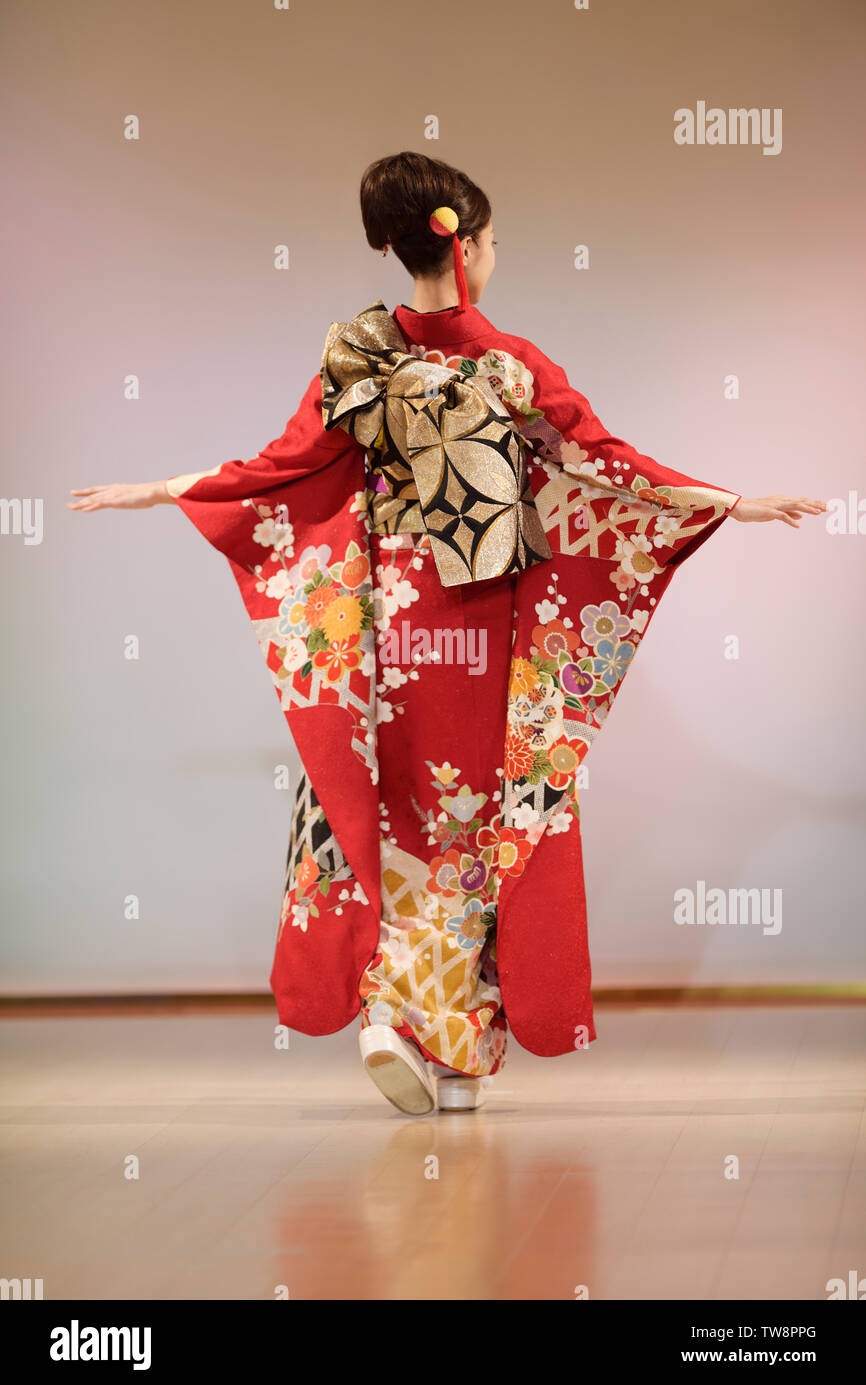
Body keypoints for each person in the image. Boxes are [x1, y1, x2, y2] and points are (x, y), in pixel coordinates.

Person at [69, 150, 827, 1118]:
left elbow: (278, 467)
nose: (495, 253)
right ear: (462, 245)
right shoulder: (508, 364)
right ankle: (456, 1043)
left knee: (388, 811)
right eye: (493, 239)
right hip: (483, 625)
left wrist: (165, 489)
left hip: (389, 631)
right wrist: (723, 503)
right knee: (481, 820)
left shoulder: (357, 357)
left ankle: (396, 1018)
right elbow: (605, 463)